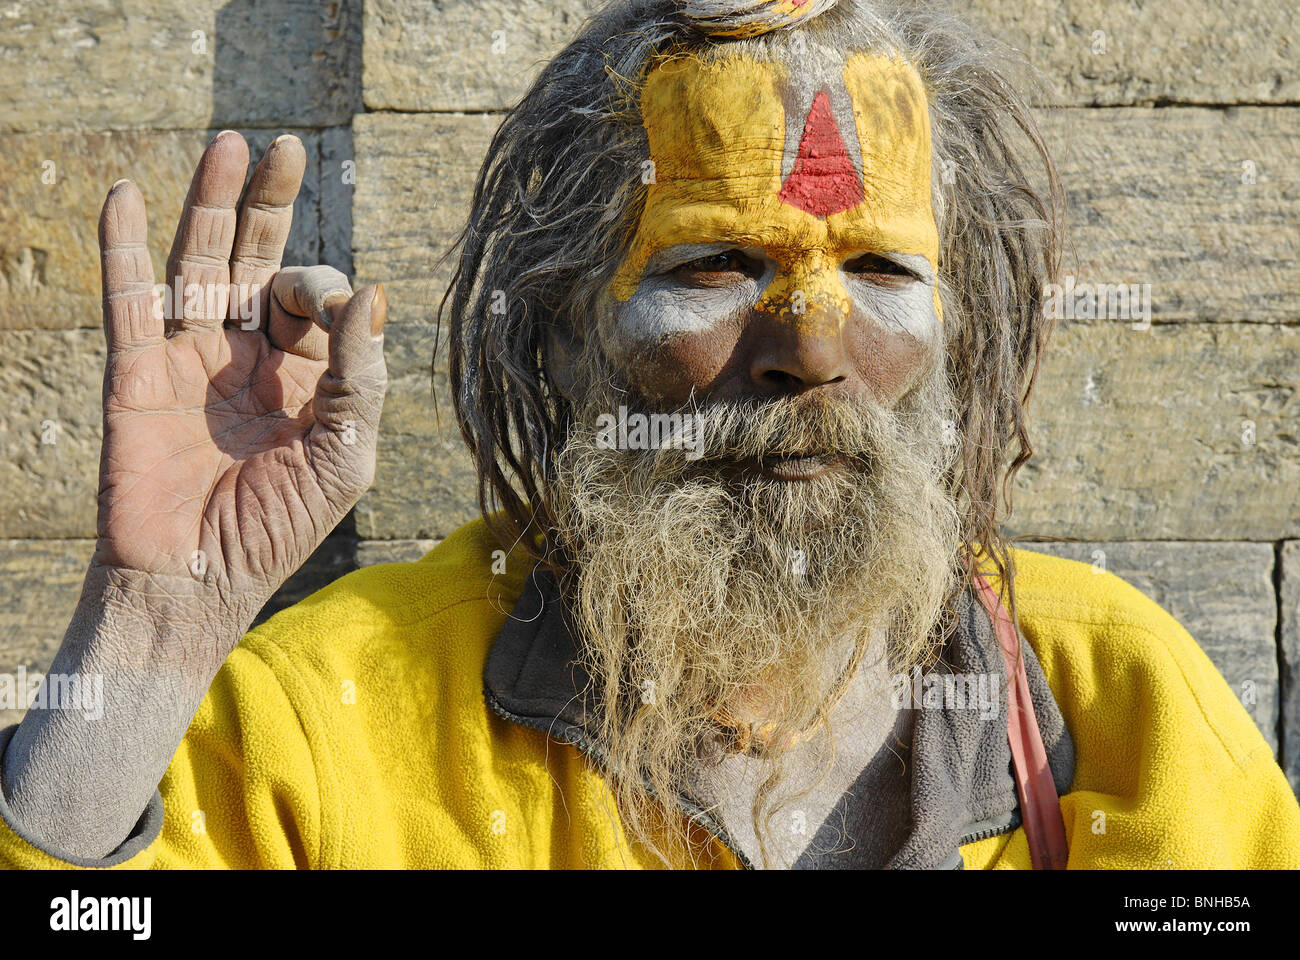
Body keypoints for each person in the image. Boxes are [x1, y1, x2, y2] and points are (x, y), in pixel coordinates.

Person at [2, 0, 1296, 870]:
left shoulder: (1110, 698)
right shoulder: (330, 721)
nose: (814, 346)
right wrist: (145, 635)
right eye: (719, 263)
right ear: (568, 320)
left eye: (885, 272)